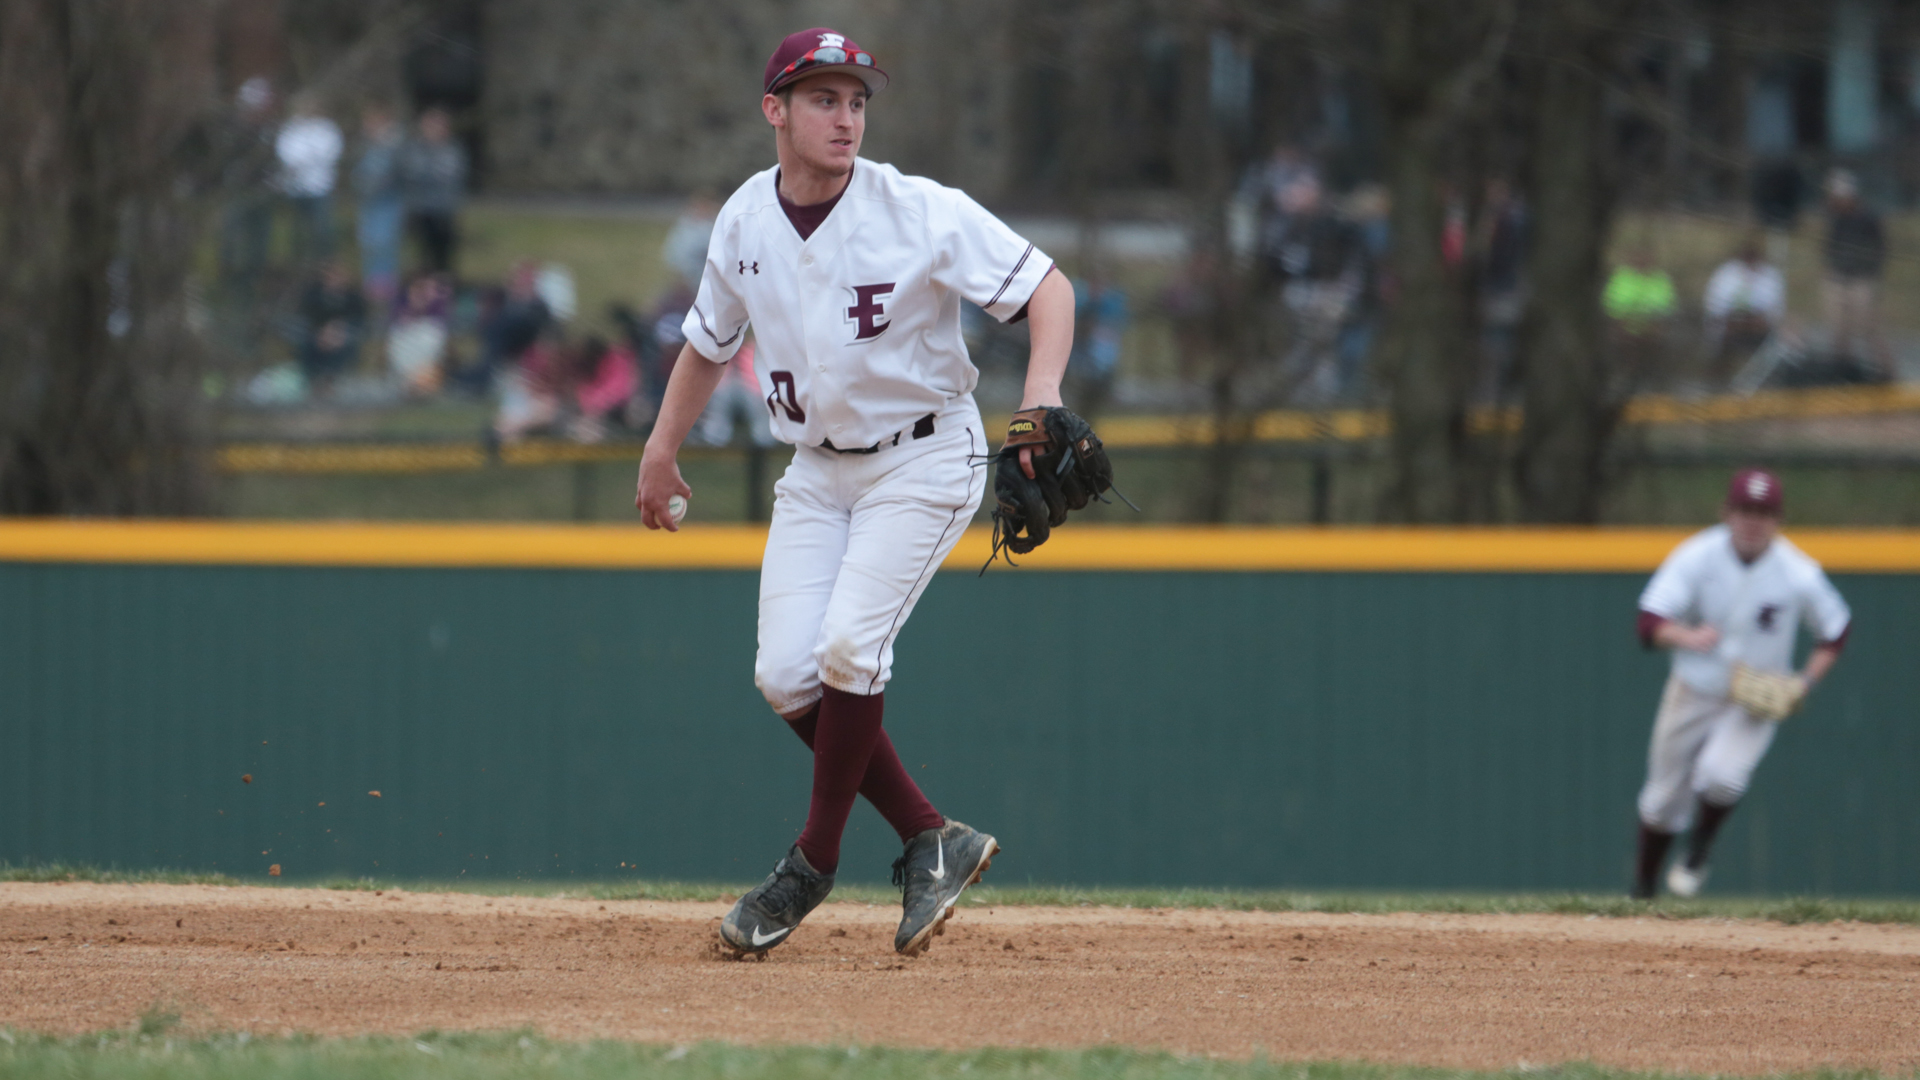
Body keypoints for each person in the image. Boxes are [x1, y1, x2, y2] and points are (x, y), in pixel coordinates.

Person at [633, 28, 1072, 958]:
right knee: (785, 674)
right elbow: (710, 344)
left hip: (923, 457)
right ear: (775, 111)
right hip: (817, 471)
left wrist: (1040, 398)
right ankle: (932, 838)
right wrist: (661, 447)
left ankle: (812, 862)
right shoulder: (745, 220)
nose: (846, 118)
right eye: (824, 99)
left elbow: (1049, 289)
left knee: (848, 647)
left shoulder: (916, 209)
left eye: (857, 101)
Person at [1629, 469, 1851, 899]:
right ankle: (1642, 892)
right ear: (1727, 513)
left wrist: (1805, 682)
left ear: (1778, 519)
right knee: (1660, 804)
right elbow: (1648, 622)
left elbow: (1836, 630)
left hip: (1754, 698)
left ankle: (1698, 852)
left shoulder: (1797, 571)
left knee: (1722, 776)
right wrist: (1685, 635)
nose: (1753, 521)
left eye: (1764, 513)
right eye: (1746, 510)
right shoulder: (1697, 555)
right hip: (1693, 689)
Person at [1820, 170, 1892, 380]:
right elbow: (1828, 246)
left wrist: (1871, 272)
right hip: (1838, 277)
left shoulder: (1868, 217)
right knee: (1838, 329)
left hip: (1862, 278)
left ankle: (1886, 371)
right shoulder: (1835, 218)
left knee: (1869, 327)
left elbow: (1880, 248)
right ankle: (1842, 372)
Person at [1702, 236, 1786, 382]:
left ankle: (1758, 379)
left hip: (1759, 329)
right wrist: (1736, 321)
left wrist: (1755, 321)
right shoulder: (1726, 274)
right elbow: (1715, 308)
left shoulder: (1771, 275)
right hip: (1729, 327)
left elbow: (1775, 311)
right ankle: (1718, 378)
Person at [397, 107, 468, 275]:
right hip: (420, 208)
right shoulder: (414, 148)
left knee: (444, 255)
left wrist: (427, 174)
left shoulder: (453, 150)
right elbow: (409, 174)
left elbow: (451, 176)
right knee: (422, 255)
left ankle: (444, 289)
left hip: (444, 209)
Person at [276, 93, 342, 264]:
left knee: (322, 229)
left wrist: (307, 160)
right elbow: (285, 152)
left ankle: (324, 263)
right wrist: (301, 161)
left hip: (320, 187)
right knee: (297, 230)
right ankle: (298, 263)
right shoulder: (291, 128)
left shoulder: (327, 128)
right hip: (296, 188)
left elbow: (329, 152)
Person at [353, 104, 407, 309]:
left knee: (386, 243)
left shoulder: (394, 145)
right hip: (368, 202)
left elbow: (396, 173)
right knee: (369, 243)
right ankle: (371, 287)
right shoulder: (364, 146)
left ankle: (387, 288)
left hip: (388, 201)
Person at [295, 261, 368, 392]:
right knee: (307, 343)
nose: (334, 279)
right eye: (330, 276)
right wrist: (322, 332)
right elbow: (308, 316)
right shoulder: (313, 294)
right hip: (317, 333)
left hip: (345, 333)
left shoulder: (353, 296)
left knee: (346, 344)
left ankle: (331, 381)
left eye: (338, 276)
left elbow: (360, 319)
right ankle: (312, 380)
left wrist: (338, 330)